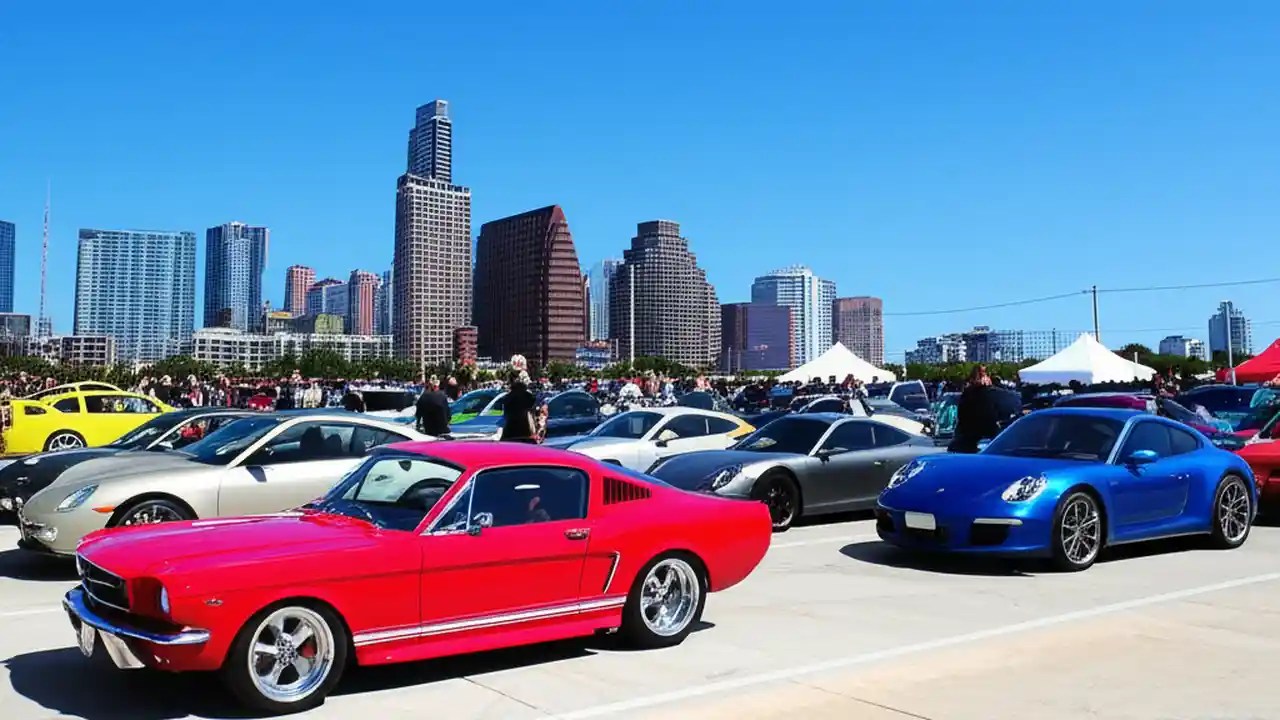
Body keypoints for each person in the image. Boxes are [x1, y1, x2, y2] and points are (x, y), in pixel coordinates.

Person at [950, 365, 999, 453]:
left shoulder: (969, 393)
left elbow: (961, 415)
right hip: (978, 435)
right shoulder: (988, 393)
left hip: (970, 436)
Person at [500, 373, 538, 443]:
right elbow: (532, 407)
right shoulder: (527, 396)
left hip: (510, 429)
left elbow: (505, 412)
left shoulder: (508, 397)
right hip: (524, 428)